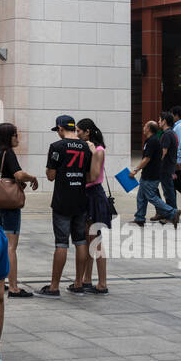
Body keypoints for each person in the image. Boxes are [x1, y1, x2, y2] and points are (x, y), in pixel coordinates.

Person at [38, 114, 101, 297]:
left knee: (61, 243)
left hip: (62, 200)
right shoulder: (86, 147)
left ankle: (54, 286)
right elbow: (90, 176)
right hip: (80, 199)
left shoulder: (57, 147)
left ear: (60, 129)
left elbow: (50, 176)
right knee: (80, 241)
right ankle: (79, 283)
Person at [0, 122, 38, 297]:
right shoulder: (8, 153)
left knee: (1, 244)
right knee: (11, 246)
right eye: (15, 135)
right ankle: (14, 287)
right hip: (10, 206)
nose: (18, 138)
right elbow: (18, 175)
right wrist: (32, 177)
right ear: (8, 137)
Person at [76, 118, 111, 294]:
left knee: (95, 241)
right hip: (89, 195)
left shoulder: (97, 151)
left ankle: (102, 283)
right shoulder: (91, 150)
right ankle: (87, 279)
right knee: (89, 239)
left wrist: (74, 178)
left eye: (79, 131)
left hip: (94, 195)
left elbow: (94, 175)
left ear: (87, 132)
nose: (77, 134)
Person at [130, 121, 181, 227]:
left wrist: (135, 170)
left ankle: (172, 212)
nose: (143, 127)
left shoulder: (152, 141)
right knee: (141, 197)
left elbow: (147, 158)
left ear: (149, 129)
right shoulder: (150, 140)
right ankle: (139, 217)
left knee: (151, 197)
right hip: (148, 174)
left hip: (151, 175)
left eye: (145, 126)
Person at [154, 110, 180, 221]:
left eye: (160, 119)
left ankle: (172, 214)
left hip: (165, 167)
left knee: (168, 192)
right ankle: (163, 212)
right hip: (167, 167)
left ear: (164, 121)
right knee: (161, 190)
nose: (158, 121)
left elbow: (163, 153)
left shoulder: (167, 134)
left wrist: (154, 164)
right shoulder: (171, 133)